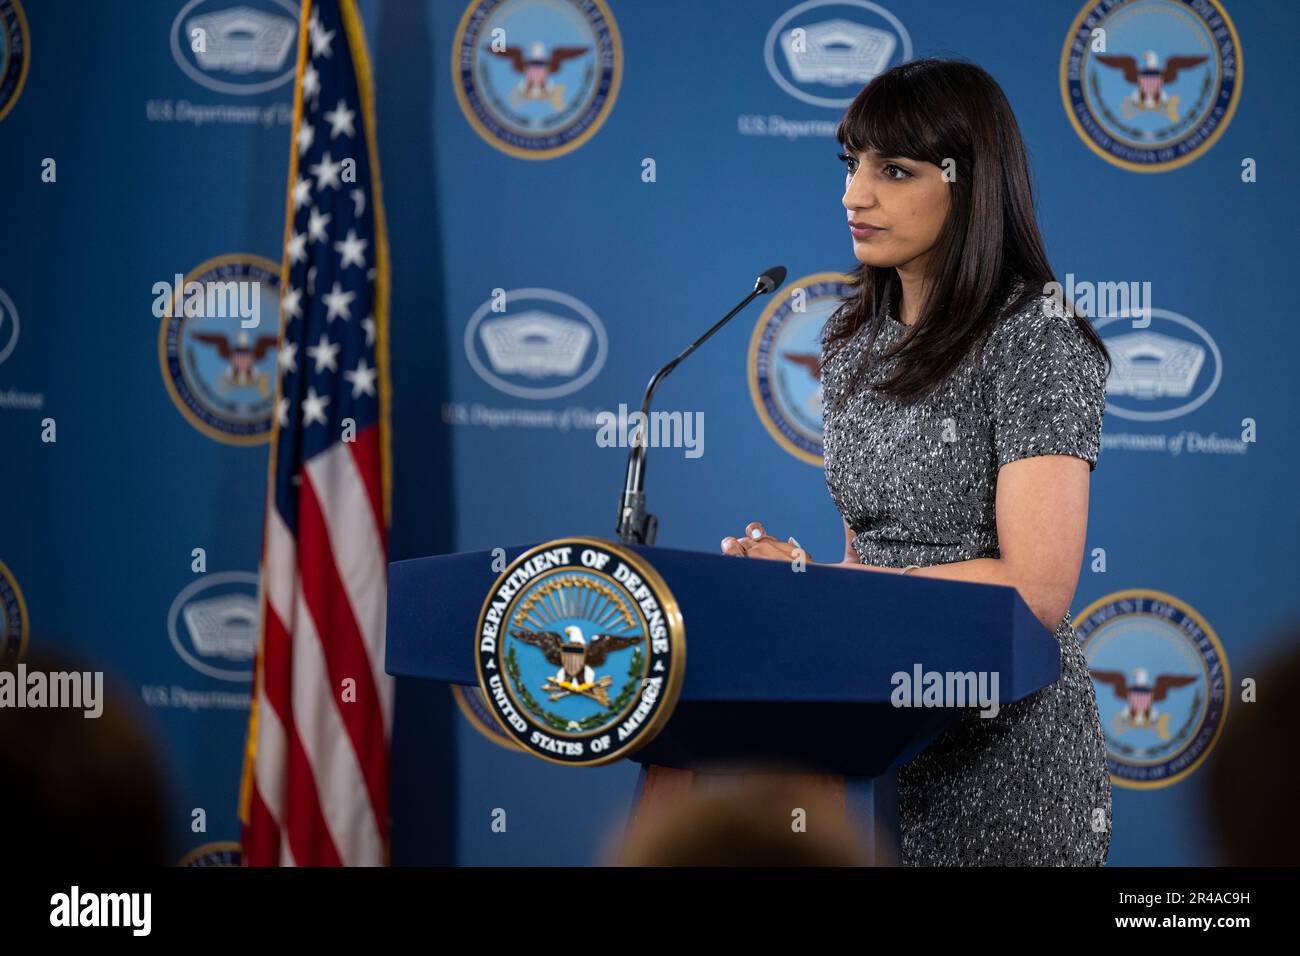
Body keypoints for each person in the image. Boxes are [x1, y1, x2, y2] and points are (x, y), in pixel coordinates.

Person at [713, 58, 1114, 865]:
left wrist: (831, 589)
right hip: (873, 746)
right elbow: (874, 558)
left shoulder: (1036, 335)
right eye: (851, 164)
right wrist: (798, 579)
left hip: (1000, 755)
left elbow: (1034, 588)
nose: (854, 195)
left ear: (970, 183)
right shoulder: (851, 343)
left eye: (894, 171)